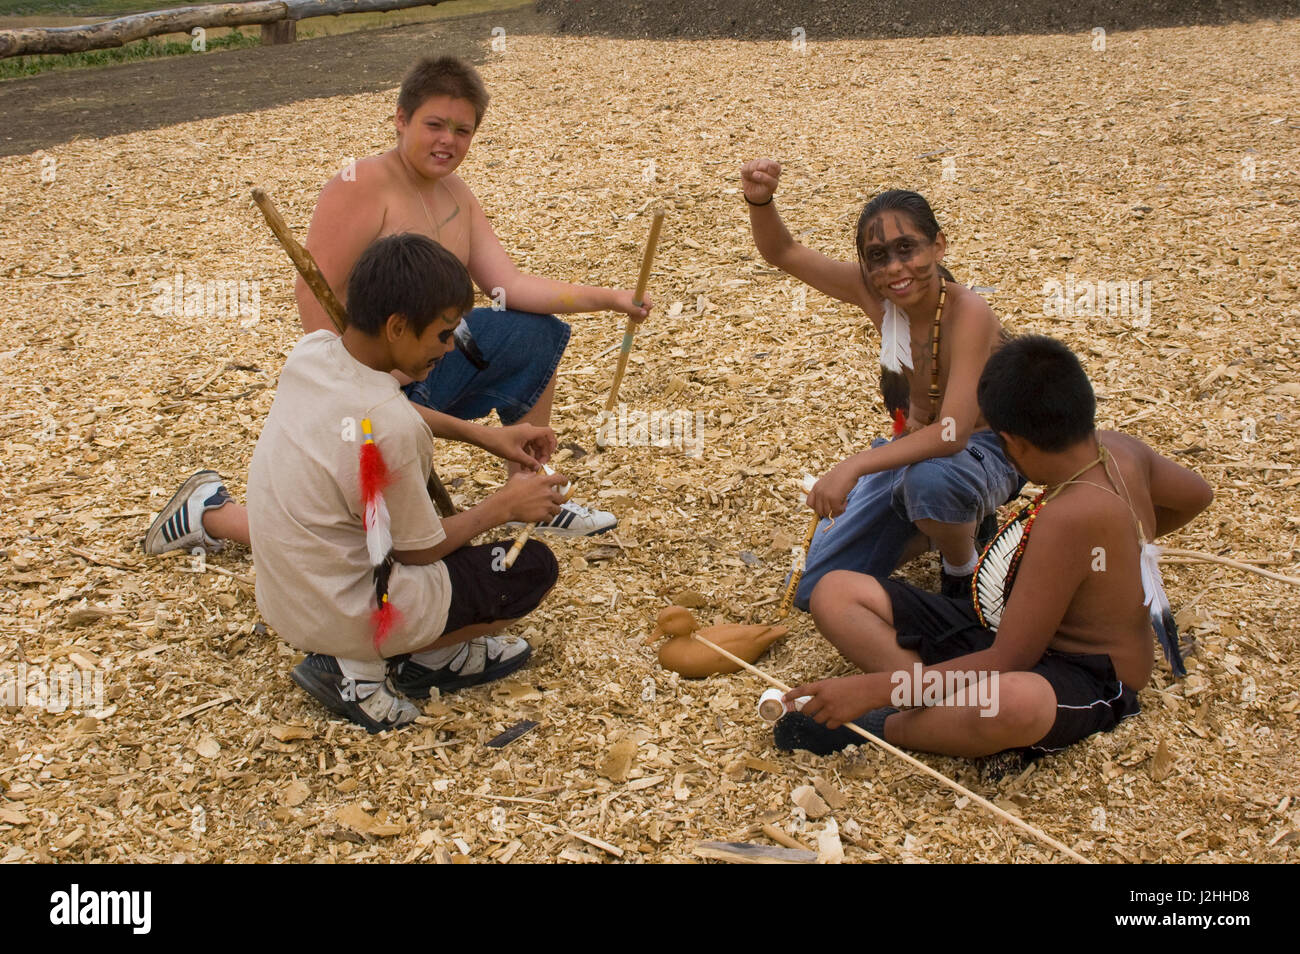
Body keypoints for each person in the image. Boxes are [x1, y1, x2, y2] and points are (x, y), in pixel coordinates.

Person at [145, 55, 651, 557]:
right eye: (434, 124)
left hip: (430, 362)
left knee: (532, 331)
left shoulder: (457, 193)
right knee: (363, 540)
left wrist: (608, 299)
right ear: (401, 119)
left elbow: (509, 285)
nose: (448, 141)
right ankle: (211, 511)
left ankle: (534, 489)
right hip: (365, 378)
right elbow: (314, 289)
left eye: (462, 130)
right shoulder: (362, 184)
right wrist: (351, 385)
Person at [773, 335, 1214, 759]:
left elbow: (1010, 658)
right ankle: (935, 704)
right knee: (836, 593)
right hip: (1008, 625)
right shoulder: (1119, 447)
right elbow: (1198, 495)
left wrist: (872, 691)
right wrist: (1132, 545)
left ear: (1014, 442)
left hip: (1083, 671)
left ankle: (886, 725)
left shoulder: (1070, 516)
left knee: (1009, 704)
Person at [249, 233, 569, 733]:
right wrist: (505, 504)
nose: (449, 349)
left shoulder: (313, 352)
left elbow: (386, 406)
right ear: (397, 326)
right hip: (344, 614)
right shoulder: (391, 431)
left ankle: (381, 653)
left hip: (284, 597)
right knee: (529, 569)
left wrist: (484, 435)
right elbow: (419, 551)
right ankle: (367, 668)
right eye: (443, 336)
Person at [740, 161, 1021, 607]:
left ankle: (963, 568)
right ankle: (943, 526)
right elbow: (783, 252)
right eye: (878, 256)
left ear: (939, 245)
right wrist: (761, 199)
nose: (894, 268)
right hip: (920, 442)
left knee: (931, 481)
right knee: (813, 590)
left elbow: (953, 434)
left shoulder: (968, 313)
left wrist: (852, 467)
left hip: (990, 450)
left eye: (906, 248)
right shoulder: (876, 292)